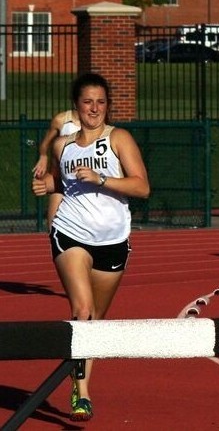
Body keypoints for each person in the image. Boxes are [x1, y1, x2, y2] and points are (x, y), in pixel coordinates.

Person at [31, 72, 151, 421]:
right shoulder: (63, 145)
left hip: (112, 240)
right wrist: (47, 185)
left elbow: (142, 187)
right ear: (76, 106)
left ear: (107, 106)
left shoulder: (120, 139)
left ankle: (78, 367)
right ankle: (81, 390)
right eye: (87, 102)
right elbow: (59, 182)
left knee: (95, 320)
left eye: (100, 102)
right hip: (71, 232)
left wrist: (102, 179)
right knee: (82, 310)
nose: (94, 108)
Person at [32, 109, 82, 227]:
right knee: (54, 230)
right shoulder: (61, 120)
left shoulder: (98, 121)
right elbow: (45, 143)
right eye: (86, 101)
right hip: (61, 180)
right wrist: (43, 156)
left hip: (85, 183)